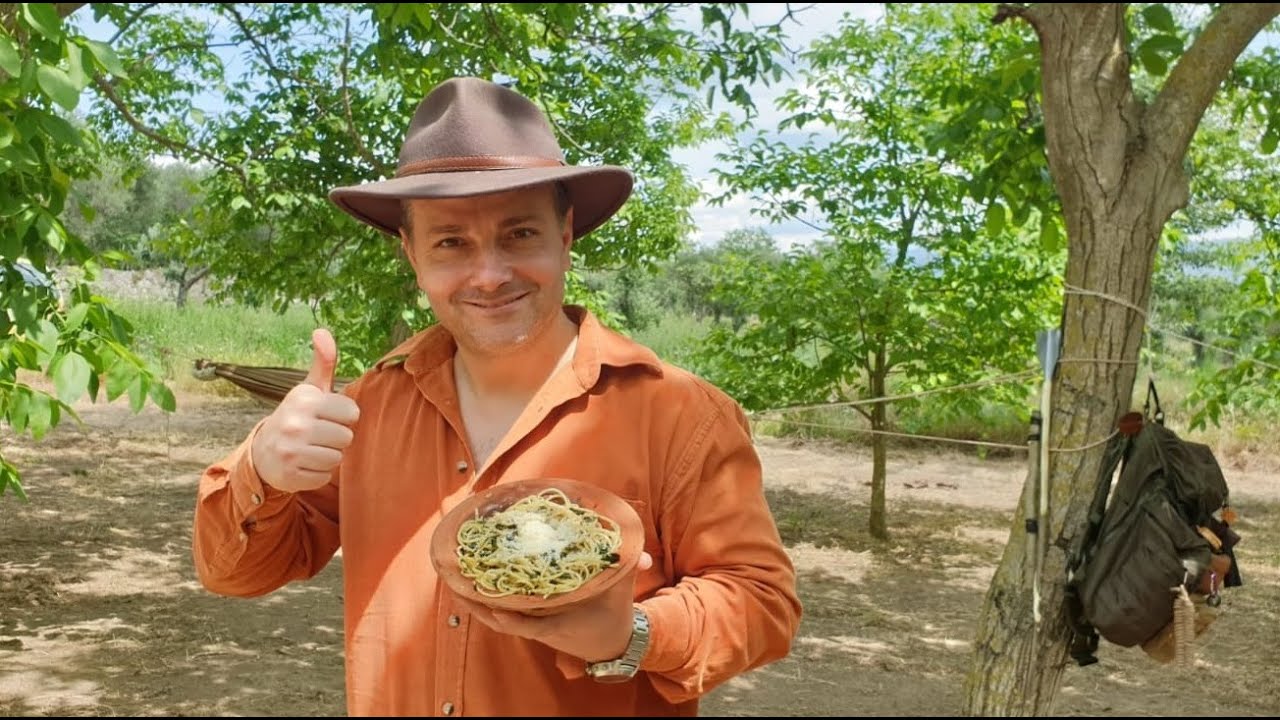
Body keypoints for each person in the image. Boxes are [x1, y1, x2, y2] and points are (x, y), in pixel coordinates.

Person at [191, 76, 801, 717]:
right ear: (412, 255)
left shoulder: (679, 414)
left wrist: (632, 634)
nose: (489, 275)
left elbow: (761, 603)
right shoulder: (369, 407)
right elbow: (237, 572)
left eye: (519, 235)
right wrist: (262, 468)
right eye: (452, 242)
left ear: (564, 236)